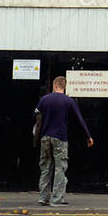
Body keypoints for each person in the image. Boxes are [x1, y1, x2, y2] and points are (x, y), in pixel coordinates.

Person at [34, 76, 94, 206]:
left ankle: (43, 197)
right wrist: (88, 136)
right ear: (64, 86)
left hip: (45, 137)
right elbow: (79, 120)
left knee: (45, 167)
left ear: (54, 85)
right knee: (60, 168)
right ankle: (56, 199)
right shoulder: (69, 101)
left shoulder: (44, 99)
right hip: (60, 137)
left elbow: (36, 117)